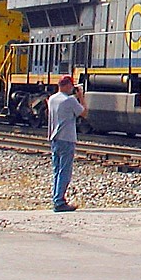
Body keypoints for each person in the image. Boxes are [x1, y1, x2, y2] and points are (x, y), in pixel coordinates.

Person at [47, 75, 88, 212]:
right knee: (65, 171)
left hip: (54, 139)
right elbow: (84, 113)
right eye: (71, 85)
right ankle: (59, 202)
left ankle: (56, 198)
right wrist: (81, 96)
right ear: (66, 85)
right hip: (67, 139)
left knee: (57, 171)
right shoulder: (70, 100)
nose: (72, 88)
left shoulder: (52, 99)